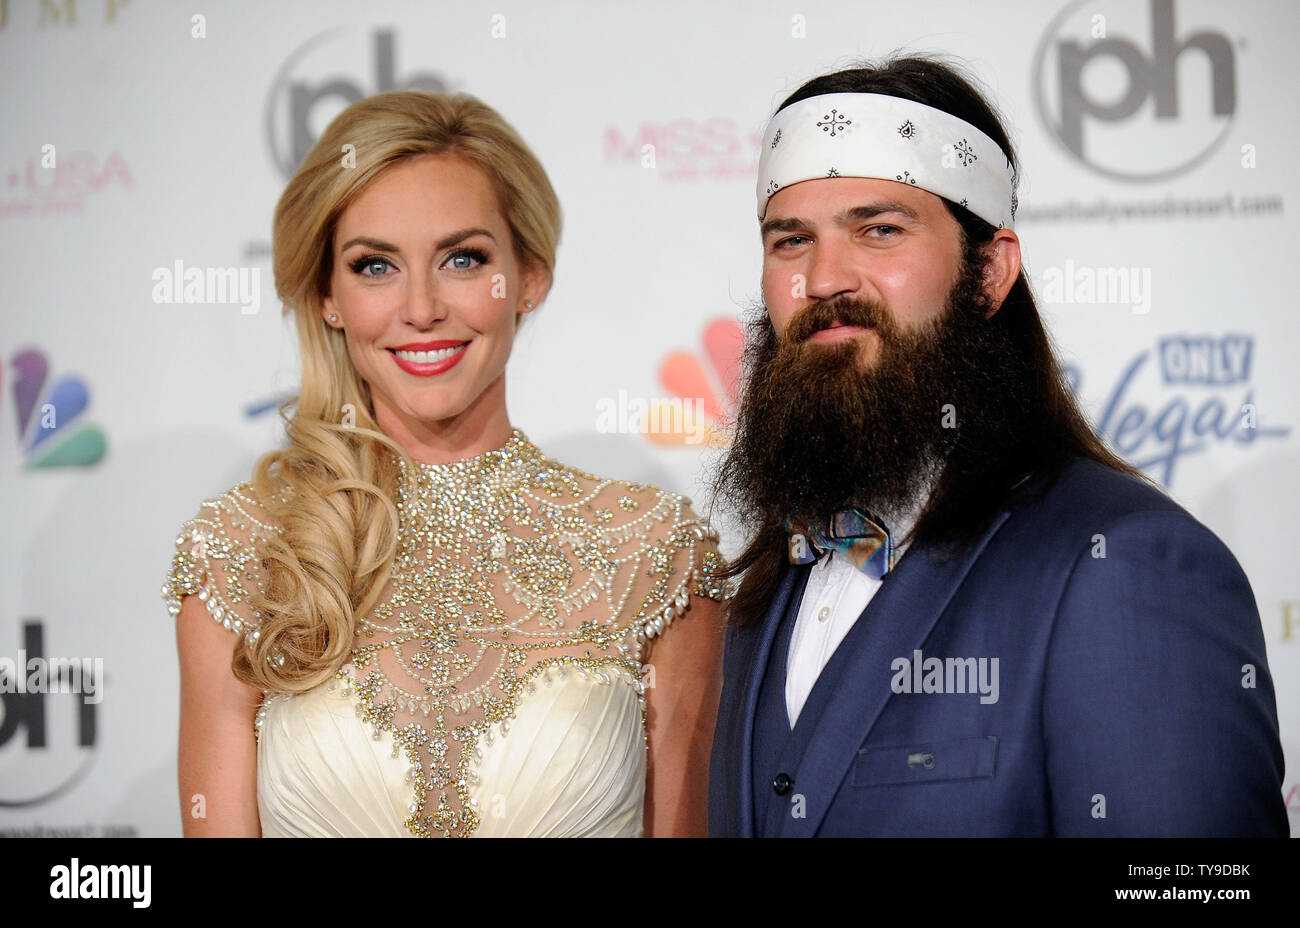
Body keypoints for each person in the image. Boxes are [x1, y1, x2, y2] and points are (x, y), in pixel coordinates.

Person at [707, 55, 1287, 837]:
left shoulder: (1123, 565)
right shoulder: (765, 585)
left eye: (880, 230)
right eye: (790, 240)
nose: (824, 278)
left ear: (989, 272)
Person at [162, 90, 728, 838]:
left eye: (464, 259)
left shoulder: (653, 553)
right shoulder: (244, 554)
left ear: (530, 276)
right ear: (328, 297)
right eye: (375, 266)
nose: (422, 307)